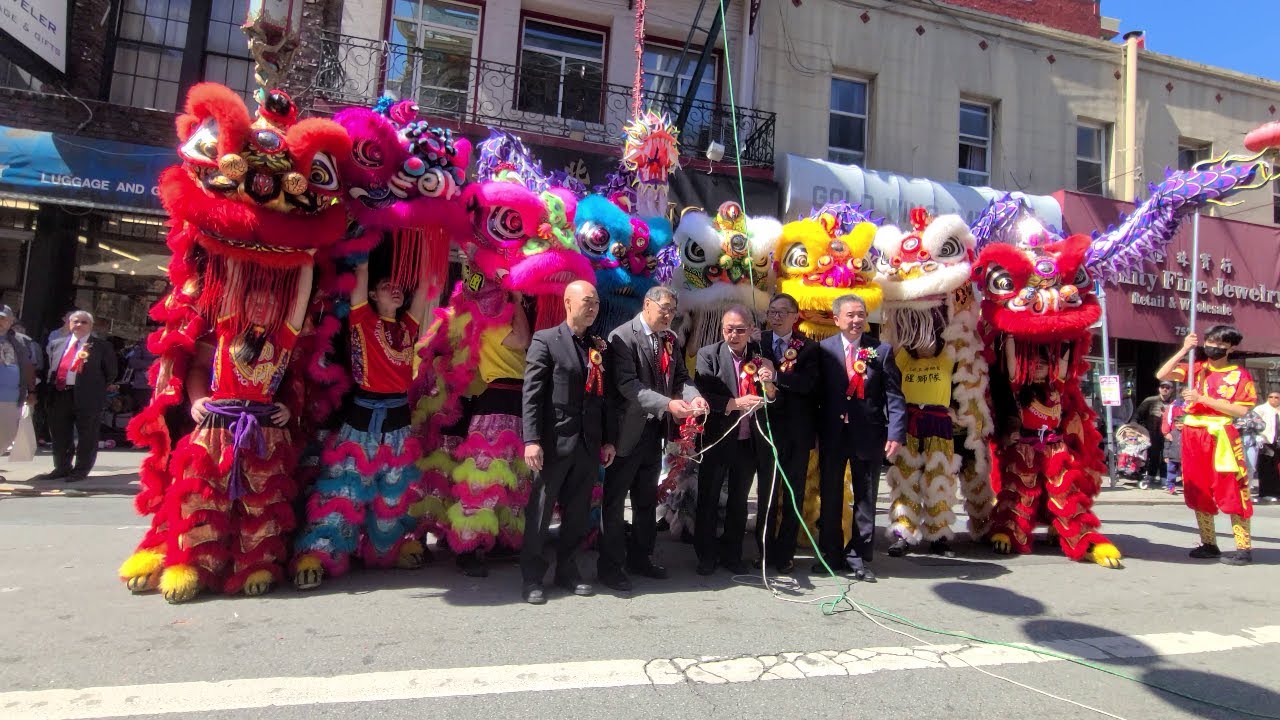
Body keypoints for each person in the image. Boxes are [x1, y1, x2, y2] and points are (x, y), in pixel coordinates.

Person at [293, 262, 433, 590]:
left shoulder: (408, 327)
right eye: (386, 284)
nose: (395, 288)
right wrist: (369, 233)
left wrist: (432, 244)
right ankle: (317, 554)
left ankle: (389, 549)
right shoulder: (363, 319)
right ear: (371, 293)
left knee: (393, 493)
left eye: (399, 285)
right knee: (344, 492)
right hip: (360, 425)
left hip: (399, 426)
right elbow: (362, 271)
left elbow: (425, 285)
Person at [601, 286, 707, 591]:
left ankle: (641, 557)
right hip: (625, 432)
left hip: (654, 431)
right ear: (647, 304)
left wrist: (694, 397)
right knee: (615, 501)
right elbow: (628, 386)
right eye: (664, 308)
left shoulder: (669, 338)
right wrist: (668, 404)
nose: (669, 315)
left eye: (673, 310)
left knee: (646, 500)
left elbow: (681, 379)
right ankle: (610, 566)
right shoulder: (623, 336)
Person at [520, 281, 616, 604]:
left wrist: (608, 440)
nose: (592, 308)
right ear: (567, 302)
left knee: (577, 512)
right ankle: (532, 576)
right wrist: (531, 439)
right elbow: (532, 395)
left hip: (588, 444)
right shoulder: (545, 340)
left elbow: (604, 400)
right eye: (587, 301)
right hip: (553, 441)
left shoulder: (598, 346)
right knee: (541, 511)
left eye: (596, 303)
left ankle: (567, 569)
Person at [814, 295, 906, 582]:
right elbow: (816, 395)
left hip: (868, 434)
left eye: (861, 315)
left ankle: (859, 557)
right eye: (850, 315)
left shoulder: (881, 350)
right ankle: (830, 555)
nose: (856, 321)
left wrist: (896, 432)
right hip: (832, 435)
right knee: (830, 496)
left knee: (866, 498)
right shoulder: (823, 349)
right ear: (837, 318)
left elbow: (894, 396)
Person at [1156, 327, 1257, 566]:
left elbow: (1241, 410)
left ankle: (1243, 547)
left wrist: (1203, 400)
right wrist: (1184, 349)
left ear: (1231, 347)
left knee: (1232, 487)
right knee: (1197, 488)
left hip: (1221, 435)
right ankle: (1209, 543)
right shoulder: (1196, 368)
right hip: (1193, 435)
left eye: (1220, 343)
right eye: (1210, 341)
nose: (1213, 346)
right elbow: (1162, 374)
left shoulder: (1240, 375)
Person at [692, 305, 776, 576]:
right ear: (722, 330)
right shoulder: (708, 355)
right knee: (708, 498)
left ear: (751, 330)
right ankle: (705, 555)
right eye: (729, 329)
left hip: (748, 441)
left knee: (739, 500)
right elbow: (703, 393)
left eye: (741, 330)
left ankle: (732, 554)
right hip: (717, 438)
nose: (734, 335)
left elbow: (773, 398)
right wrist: (734, 403)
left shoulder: (760, 357)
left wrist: (770, 383)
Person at [755, 293, 818, 574]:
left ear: (795, 316)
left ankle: (786, 552)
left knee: (792, 493)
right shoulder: (758, 342)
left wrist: (777, 377)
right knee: (767, 492)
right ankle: (765, 550)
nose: (776, 316)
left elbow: (808, 385)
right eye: (772, 311)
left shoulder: (808, 348)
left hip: (797, 431)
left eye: (783, 312)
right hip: (767, 428)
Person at [36, 311, 117, 482]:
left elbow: (111, 373)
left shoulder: (101, 346)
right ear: (69, 324)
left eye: (84, 322)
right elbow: (49, 367)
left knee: (87, 434)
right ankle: (62, 467)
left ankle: (81, 469)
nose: (79, 325)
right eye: (75, 321)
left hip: (87, 396)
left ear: (91, 326)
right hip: (59, 394)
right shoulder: (56, 344)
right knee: (59, 433)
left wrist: (93, 387)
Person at [0, 306, 36, 480]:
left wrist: (32, 391)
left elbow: (28, 367)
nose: (0, 322)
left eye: (3, 318)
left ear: (11, 321)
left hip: (11, 397)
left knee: (6, 434)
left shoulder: (20, 341)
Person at [1129, 381, 1174, 486]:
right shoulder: (1150, 401)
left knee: (1166, 455)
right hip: (1152, 432)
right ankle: (1151, 475)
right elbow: (1138, 413)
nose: (1165, 389)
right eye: (1163, 387)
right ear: (1159, 389)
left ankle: (1164, 477)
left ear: (1171, 390)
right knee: (1152, 454)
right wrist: (1134, 424)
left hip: (1168, 433)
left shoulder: (1174, 403)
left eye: (1168, 387)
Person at [1253, 390, 1280, 504]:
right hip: (1265, 442)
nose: (1273, 399)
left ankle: (1276, 492)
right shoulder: (1260, 409)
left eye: (1276, 397)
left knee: (1276, 468)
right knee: (1265, 468)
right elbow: (1253, 424)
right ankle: (1265, 492)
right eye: (1271, 397)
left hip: (1277, 442)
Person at [1162, 398, 1186, 495]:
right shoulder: (1171, 433)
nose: (1179, 425)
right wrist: (1166, 456)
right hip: (1172, 457)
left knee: (1186, 474)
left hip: (1184, 458)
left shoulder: (1187, 434)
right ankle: (1170, 487)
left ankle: (1187, 488)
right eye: (1177, 423)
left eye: (1181, 423)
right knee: (1171, 473)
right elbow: (1166, 445)